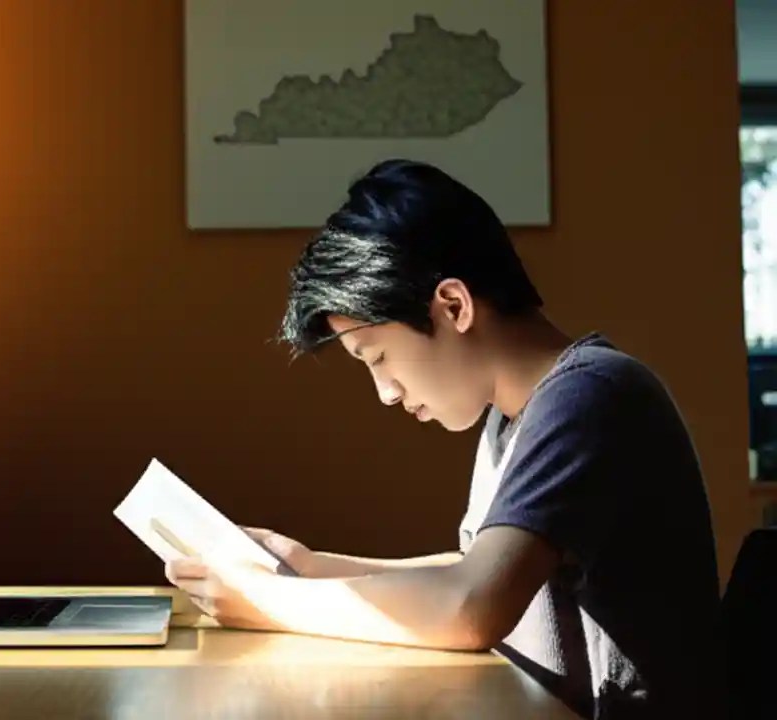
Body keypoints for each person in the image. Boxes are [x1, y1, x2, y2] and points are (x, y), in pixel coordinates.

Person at [165, 160, 723, 719]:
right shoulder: (515, 416)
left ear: (453, 305)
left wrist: (267, 600)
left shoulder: (590, 395)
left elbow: (470, 604)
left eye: (377, 357)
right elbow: (474, 567)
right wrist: (310, 565)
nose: (384, 392)